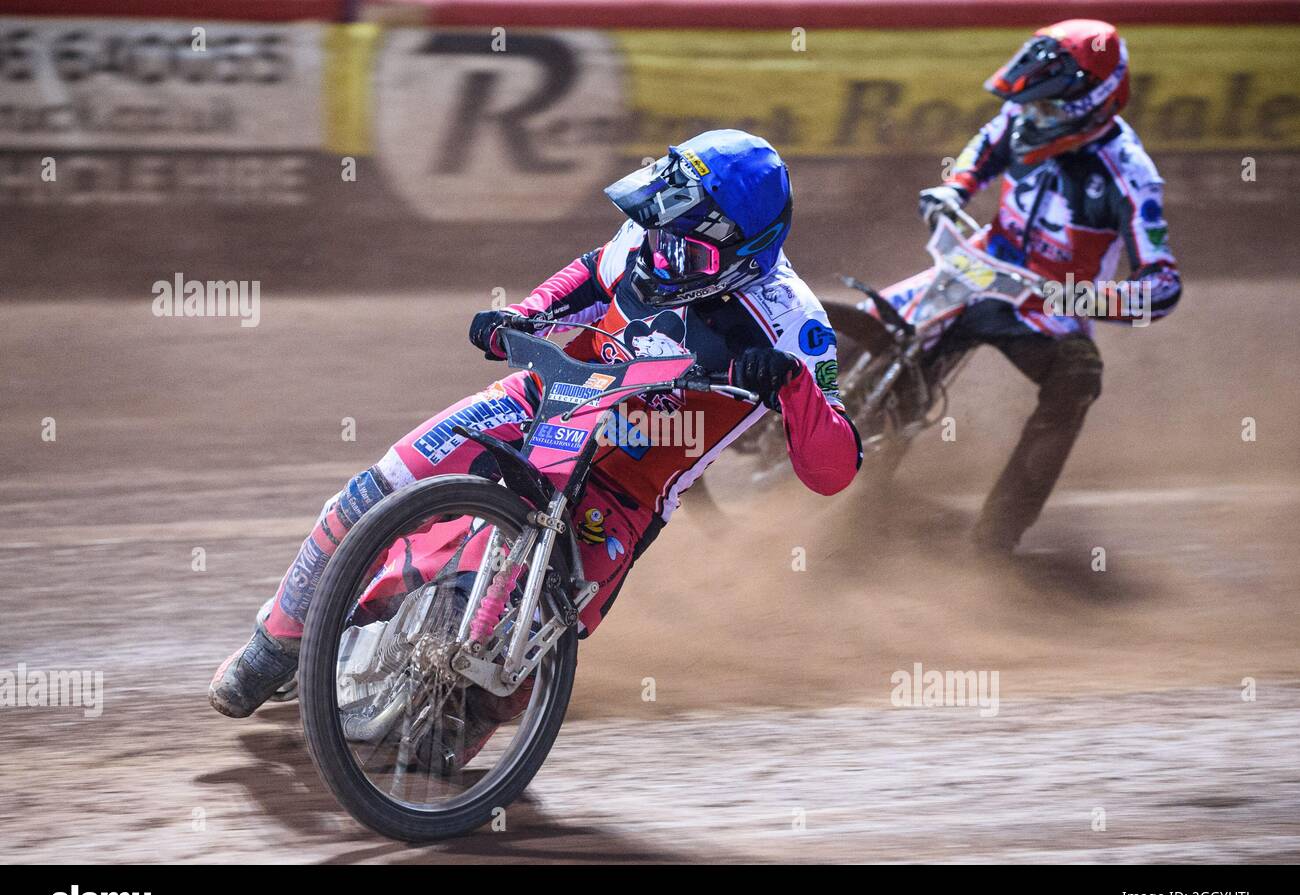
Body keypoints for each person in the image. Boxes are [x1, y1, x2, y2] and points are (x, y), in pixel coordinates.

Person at [209, 130, 862, 762]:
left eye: (687, 252)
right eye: (663, 234)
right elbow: (588, 275)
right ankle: (271, 649)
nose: (662, 256)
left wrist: (792, 386)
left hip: (622, 487)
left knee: (480, 700)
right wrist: (525, 316)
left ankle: (455, 713)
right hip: (546, 399)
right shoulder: (655, 232)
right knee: (370, 495)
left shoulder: (795, 324)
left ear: (747, 252)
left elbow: (835, 470)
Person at [908, 19, 1181, 554]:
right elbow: (990, 140)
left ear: (1094, 104)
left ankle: (993, 543)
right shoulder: (1022, 112)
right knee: (892, 339)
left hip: (1048, 304)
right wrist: (956, 189)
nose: (1028, 119)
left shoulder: (1131, 174)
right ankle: (850, 472)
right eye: (1028, 105)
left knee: (1078, 376)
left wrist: (1083, 299)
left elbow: (1163, 285)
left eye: (1045, 109)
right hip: (982, 267)